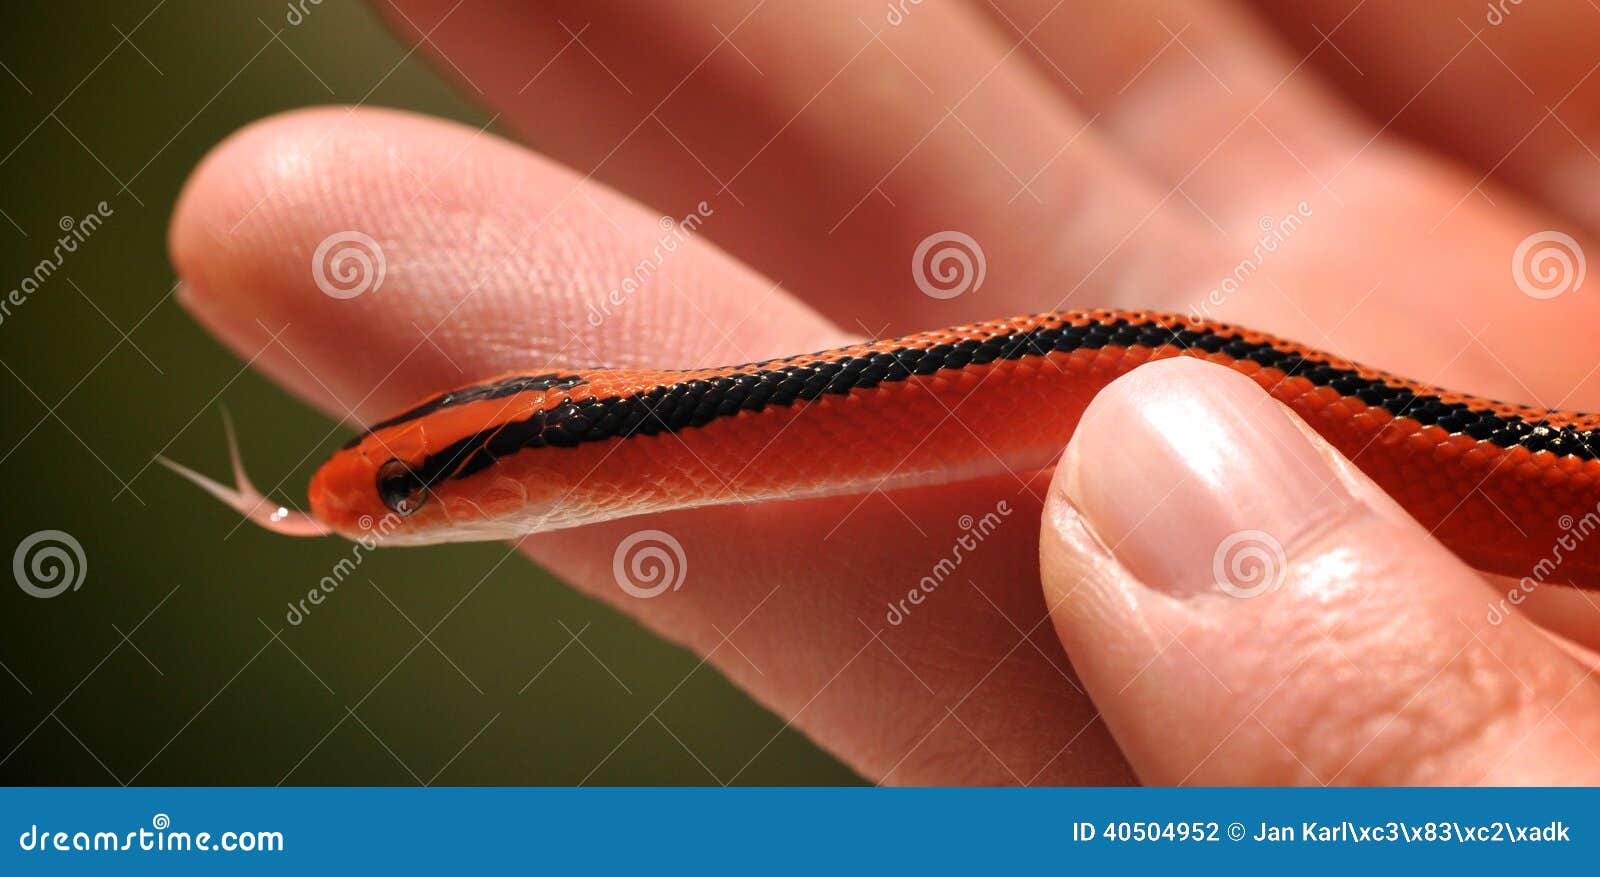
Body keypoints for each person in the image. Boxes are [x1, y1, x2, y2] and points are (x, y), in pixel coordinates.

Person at [170, 1, 1600, 784]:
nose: (379, 499)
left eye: (415, 484)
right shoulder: (687, 434)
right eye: (402, 482)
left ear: (520, 467)